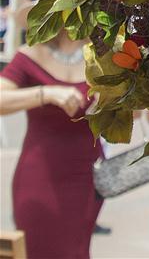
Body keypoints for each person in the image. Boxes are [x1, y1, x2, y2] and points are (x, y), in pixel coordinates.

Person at [0, 29, 103, 259]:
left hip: (85, 174)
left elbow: (136, 114)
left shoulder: (102, 56)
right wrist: (45, 93)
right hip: (39, 173)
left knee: (75, 250)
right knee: (36, 247)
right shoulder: (30, 54)